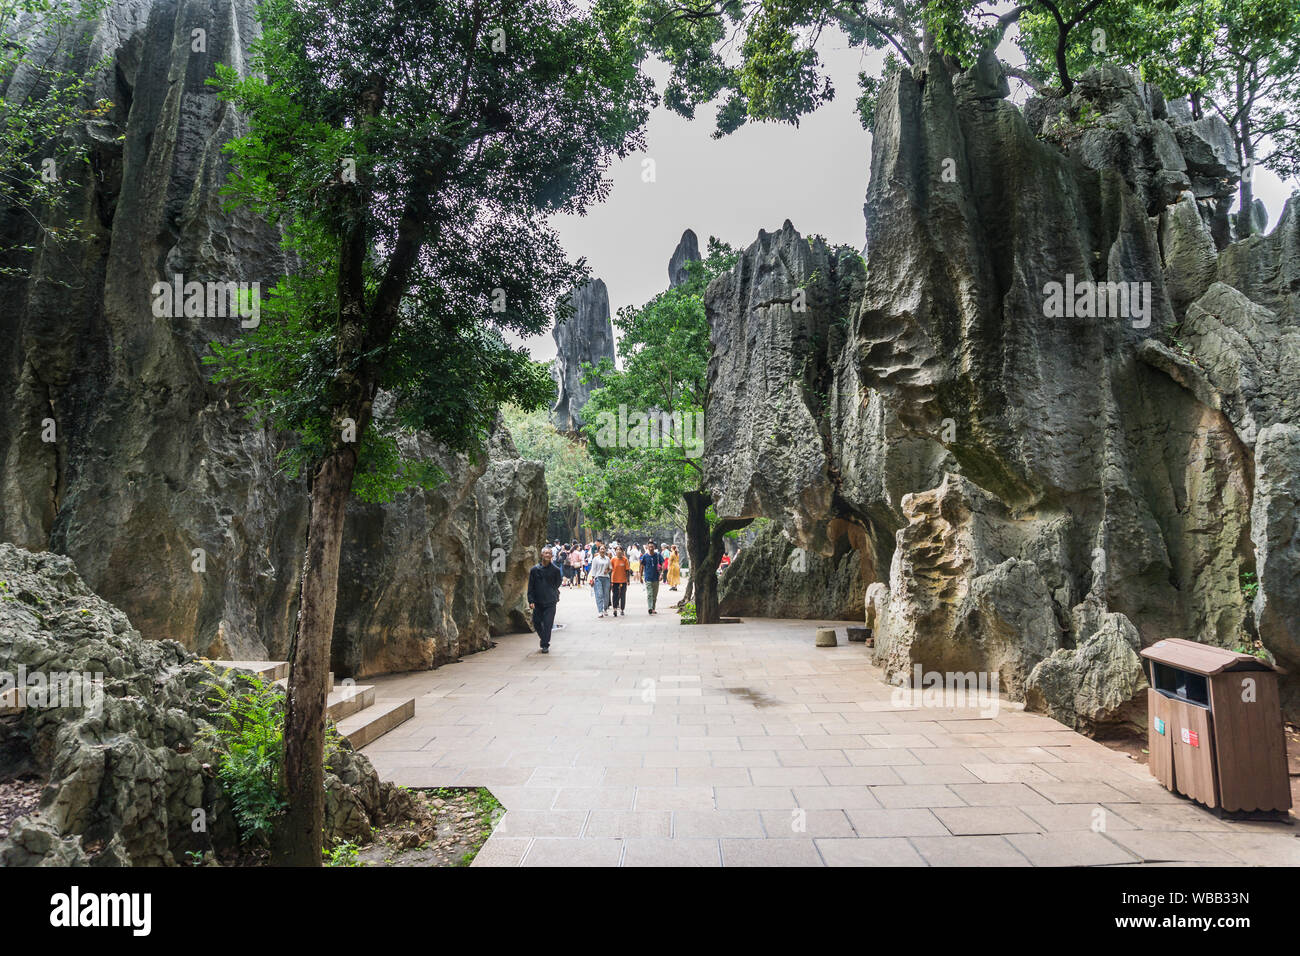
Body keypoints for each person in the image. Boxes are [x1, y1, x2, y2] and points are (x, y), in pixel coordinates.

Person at [527, 547, 563, 653]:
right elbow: (531, 586)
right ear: (542, 555)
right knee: (536, 622)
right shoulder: (534, 570)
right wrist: (531, 600)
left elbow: (558, 583)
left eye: (549, 553)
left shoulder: (555, 570)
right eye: (546, 553)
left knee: (548, 624)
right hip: (538, 601)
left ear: (552, 556)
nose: (547, 555)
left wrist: (551, 590)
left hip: (551, 601)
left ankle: (545, 644)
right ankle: (544, 638)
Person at [642, 541, 664, 614]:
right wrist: (640, 576)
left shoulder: (658, 555)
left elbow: (663, 564)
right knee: (649, 594)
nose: (651, 548)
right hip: (648, 577)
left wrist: (662, 574)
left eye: (652, 546)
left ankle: (653, 608)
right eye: (649, 547)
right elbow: (641, 565)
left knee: (654, 594)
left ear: (654, 547)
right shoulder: (645, 556)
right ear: (647, 547)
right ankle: (650, 608)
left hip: (656, 577)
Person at [590, 545, 612, 617]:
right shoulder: (595, 559)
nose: (602, 550)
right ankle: (600, 611)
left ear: (605, 550)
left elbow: (610, 568)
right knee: (599, 594)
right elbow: (593, 569)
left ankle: (605, 609)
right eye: (601, 549)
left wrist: (607, 571)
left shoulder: (607, 559)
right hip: (598, 578)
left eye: (604, 549)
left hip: (606, 578)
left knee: (606, 595)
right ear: (599, 550)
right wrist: (592, 579)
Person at [609, 546, 629, 617]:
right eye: (617, 550)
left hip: (623, 580)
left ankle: (622, 609)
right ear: (615, 551)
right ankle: (615, 609)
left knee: (622, 595)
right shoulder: (613, 559)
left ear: (622, 551)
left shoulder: (625, 559)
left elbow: (627, 570)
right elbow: (610, 569)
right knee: (615, 595)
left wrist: (628, 580)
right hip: (614, 580)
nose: (618, 551)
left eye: (620, 550)